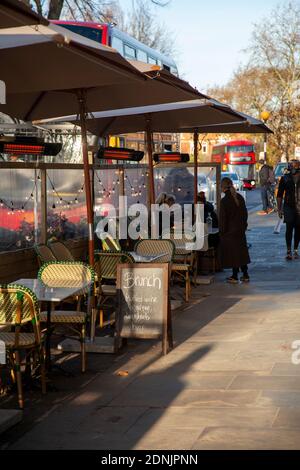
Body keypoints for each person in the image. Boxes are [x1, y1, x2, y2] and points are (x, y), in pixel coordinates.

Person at [219, 177, 251, 283]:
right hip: (240, 230)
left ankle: (234, 276)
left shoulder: (224, 201)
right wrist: (244, 226)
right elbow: (245, 214)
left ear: (223, 188)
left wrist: (222, 232)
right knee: (241, 252)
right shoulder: (239, 197)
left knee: (233, 254)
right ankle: (245, 274)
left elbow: (223, 219)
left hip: (230, 232)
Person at [277, 159, 300, 260]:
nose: (293, 168)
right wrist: (279, 209)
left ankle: (295, 250)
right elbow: (279, 195)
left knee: (298, 230)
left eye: (294, 166)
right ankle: (288, 251)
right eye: (291, 166)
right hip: (288, 207)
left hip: (299, 208)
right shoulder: (285, 178)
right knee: (289, 229)